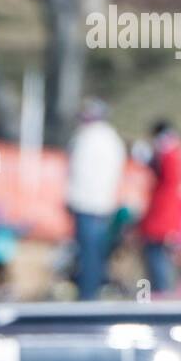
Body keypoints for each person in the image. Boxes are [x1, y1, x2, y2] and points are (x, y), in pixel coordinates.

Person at [65, 97, 127, 300]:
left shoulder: (85, 139)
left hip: (86, 203)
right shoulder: (113, 139)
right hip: (104, 203)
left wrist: (71, 197)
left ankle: (88, 294)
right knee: (99, 252)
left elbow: (78, 172)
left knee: (88, 254)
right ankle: (96, 290)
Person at [137, 120, 181, 297]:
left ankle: (159, 293)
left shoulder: (170, 154)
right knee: (156, 257)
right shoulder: (173, 153)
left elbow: (167, 176)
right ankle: (157, 292)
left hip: (161, 220)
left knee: (157, 257)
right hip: (162, 217)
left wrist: (152, 159)